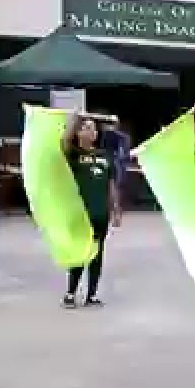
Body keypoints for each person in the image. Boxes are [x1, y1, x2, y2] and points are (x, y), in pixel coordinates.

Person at [61, 115, 122, 308]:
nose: (91, 131)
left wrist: (116, 209)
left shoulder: (105, 156)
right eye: (86, 128)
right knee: (80, 252)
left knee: (97, 254)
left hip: (100, 213)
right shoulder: (74, 154)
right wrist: (75, 118)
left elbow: (111, 185)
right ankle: (70, 293)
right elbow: (63, 141)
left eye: (94, 128)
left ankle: (91, 295)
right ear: (78, 133)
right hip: (80, 213)